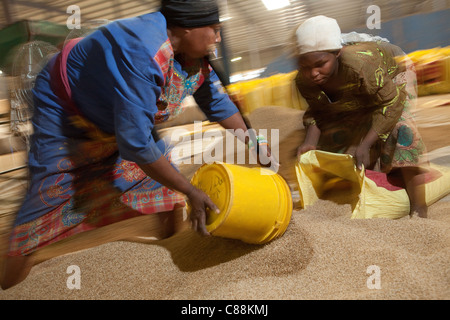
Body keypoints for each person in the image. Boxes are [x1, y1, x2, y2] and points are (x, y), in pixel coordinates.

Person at [0, 0, 271, 289]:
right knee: (47, 196)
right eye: (214, 30)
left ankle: (170, 261)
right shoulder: (142, 52)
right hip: (66, 109)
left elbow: (217, 103)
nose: (218, 38)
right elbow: (137, 146)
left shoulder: (192, 55)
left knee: (165, 179)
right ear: (187, 29)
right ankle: (10, 286)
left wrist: (257, 145)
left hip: (117, 112)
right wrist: (190, 190)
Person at [295, 16, 429, 219]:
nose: (312, 73)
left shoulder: (361, 64)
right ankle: (378, 172)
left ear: (337, 54)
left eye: (320, 64)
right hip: (360, 84)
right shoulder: (304, 79)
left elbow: (390, 103)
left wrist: (366, 143)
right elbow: (318, 110)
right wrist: (310, 142)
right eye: (305, 67)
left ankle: (419, 207)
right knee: (343, 131)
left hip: (393, 73)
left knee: (400, 127)